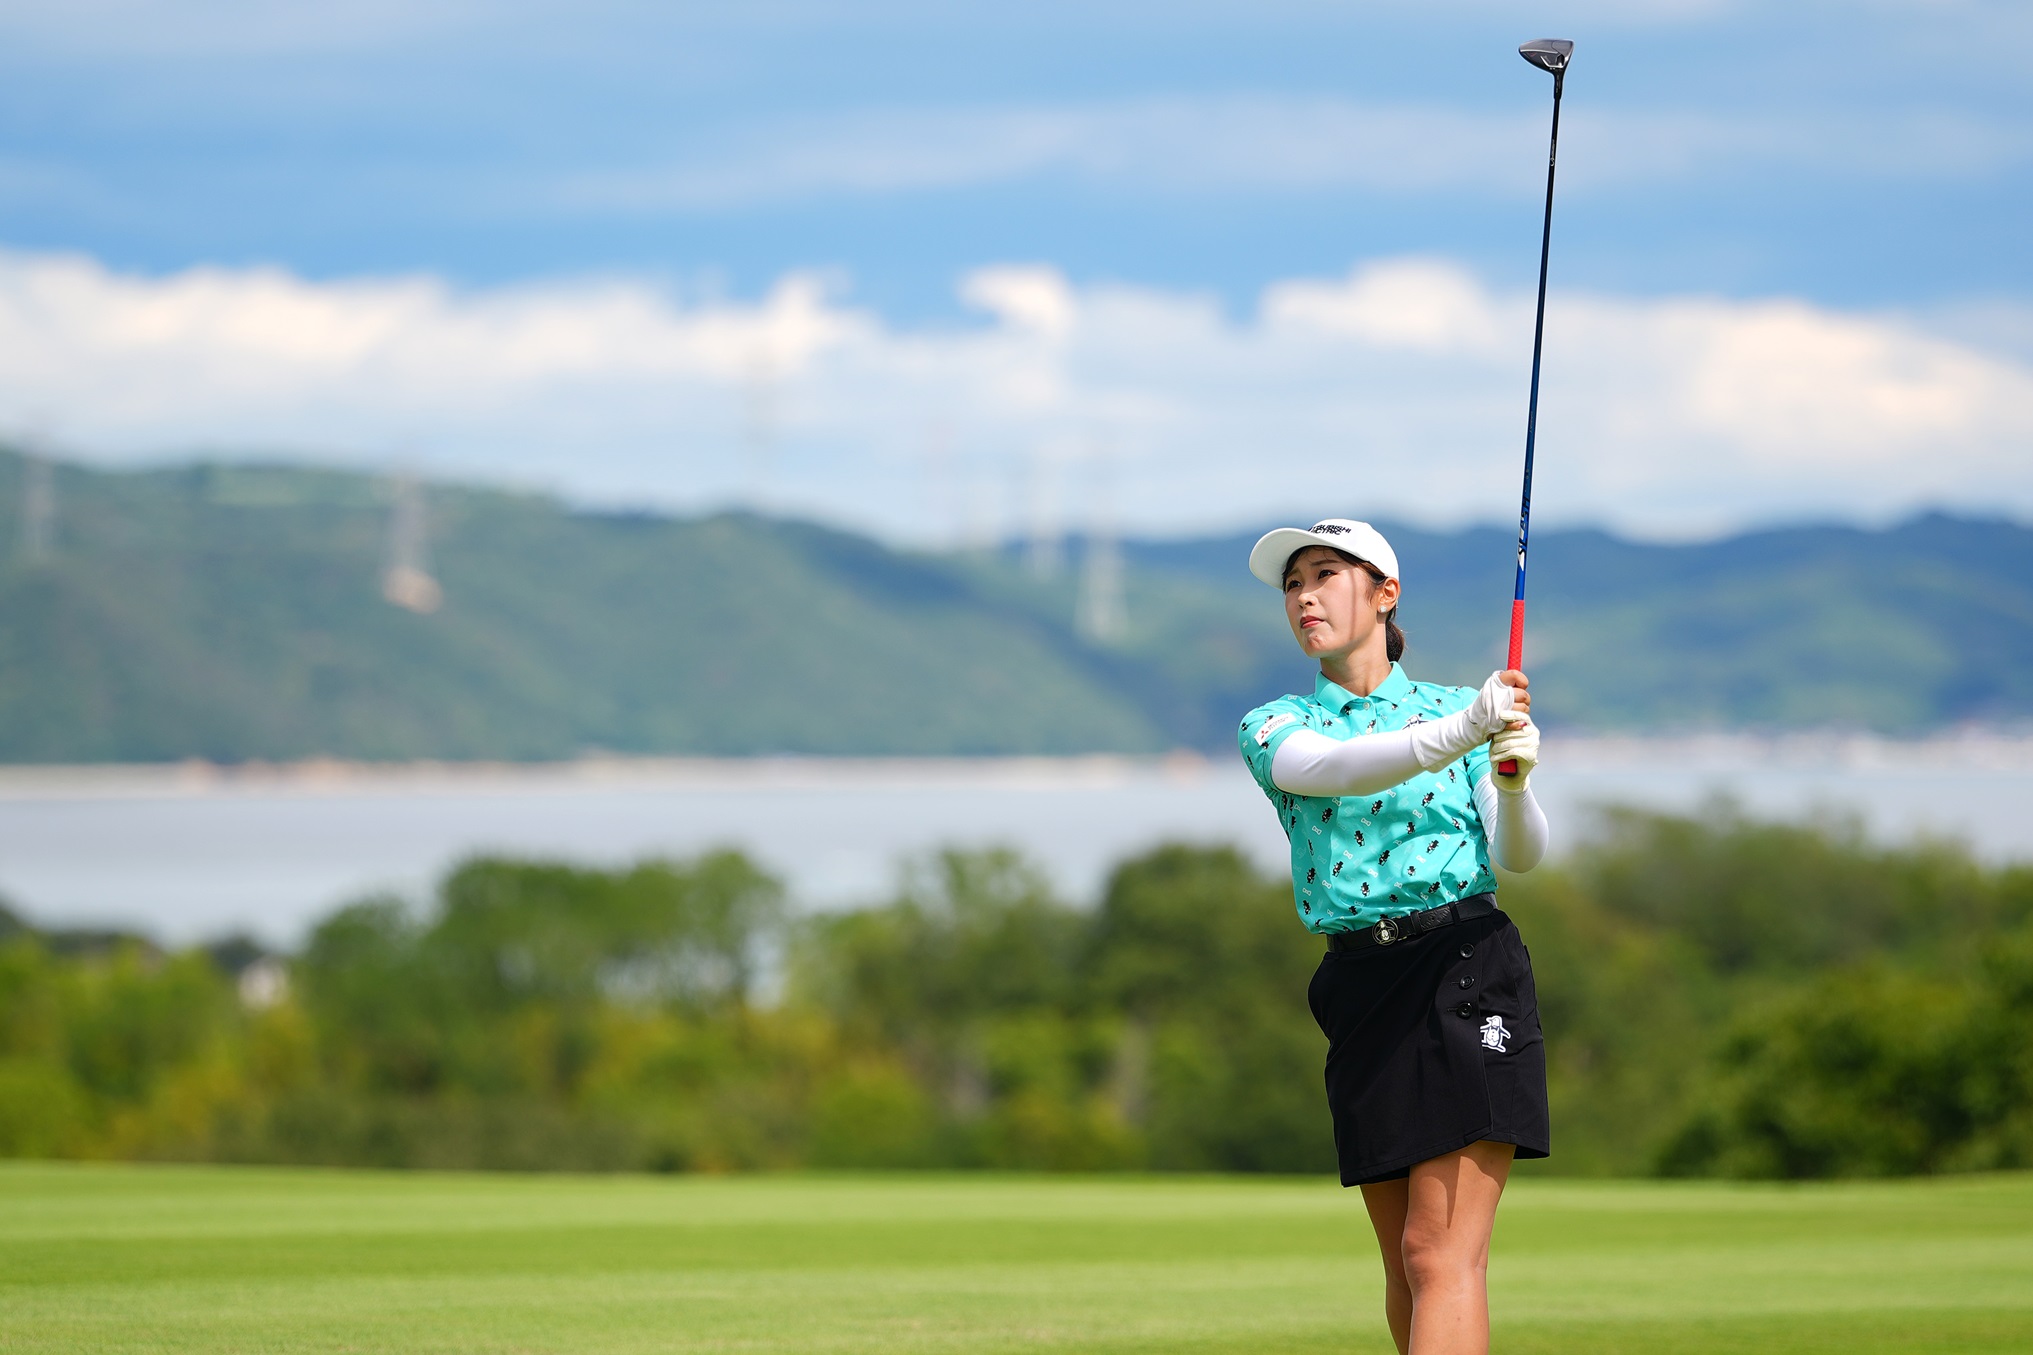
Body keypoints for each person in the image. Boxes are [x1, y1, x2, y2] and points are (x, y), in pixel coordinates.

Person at [1236, 518, 1549, 1355]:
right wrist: (1467, 730)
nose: (1304, 595)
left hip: (1463, 964)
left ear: (1384, 593)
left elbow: (1518, 855)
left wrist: (1512, 784)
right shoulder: (1274, 723)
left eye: (1326, 573)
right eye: (1293, 582)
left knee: (1437, 1250)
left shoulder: (1459, 709)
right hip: (1358, 985)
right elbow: (1334, 769)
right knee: (1404, 1261)